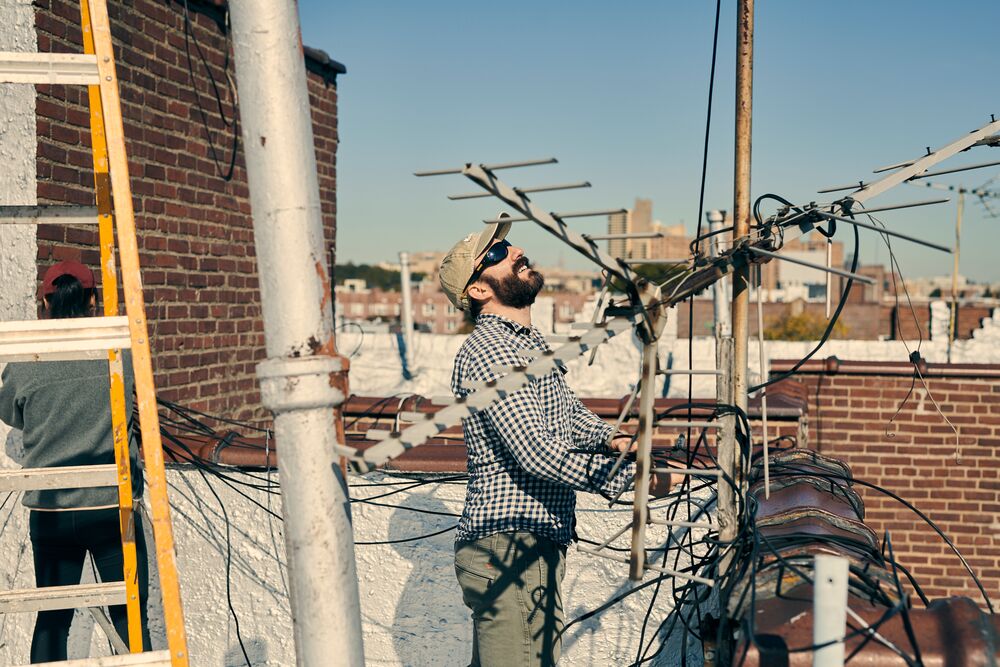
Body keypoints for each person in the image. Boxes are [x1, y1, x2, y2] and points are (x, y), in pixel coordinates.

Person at [439, 217, 682, 666]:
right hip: (508, 547)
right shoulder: (490, 351)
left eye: (509, 245)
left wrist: (613, 438)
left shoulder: (527, 345)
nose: (514, 252)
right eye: (496, 254)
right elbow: (534, 451)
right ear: (477, 290)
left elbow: (567, 416)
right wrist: (630, 478)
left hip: (529, 543)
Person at [0, 260, 151, 663]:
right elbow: (137, 401)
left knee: (52, 622)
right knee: (130, 619)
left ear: (44, 303)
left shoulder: (26, 356)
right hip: (109, 506)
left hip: (50, 510)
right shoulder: (116, 347)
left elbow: (11, 414)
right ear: (93, 299)